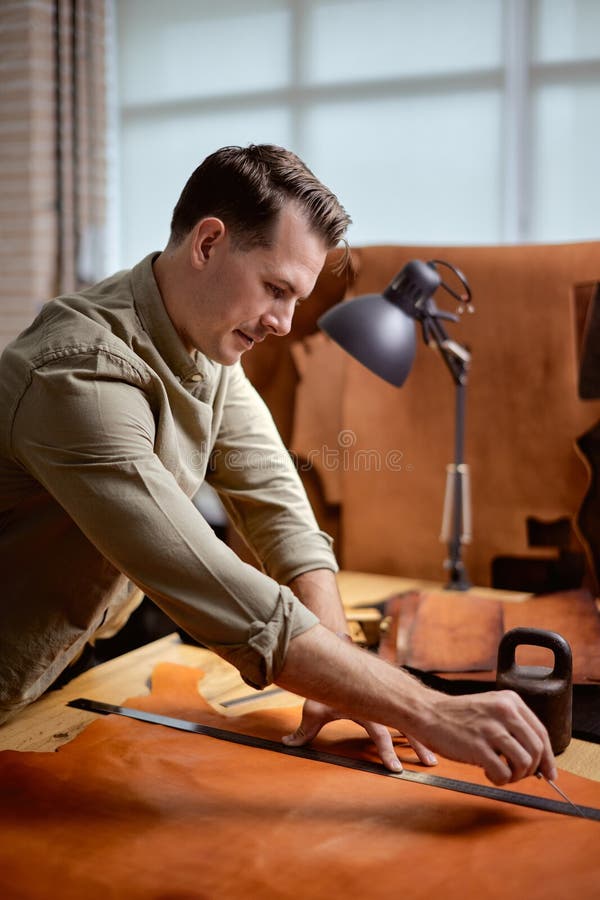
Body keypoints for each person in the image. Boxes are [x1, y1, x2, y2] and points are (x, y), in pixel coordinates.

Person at [0, 144, 555, 786]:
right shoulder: (76, 375)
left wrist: (346, 681)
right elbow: (216, 589)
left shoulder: (204, 342)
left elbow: (281, 515)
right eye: (275, 288)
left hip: (62, 674)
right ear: (209, 243)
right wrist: (428, 708)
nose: (286, 323)